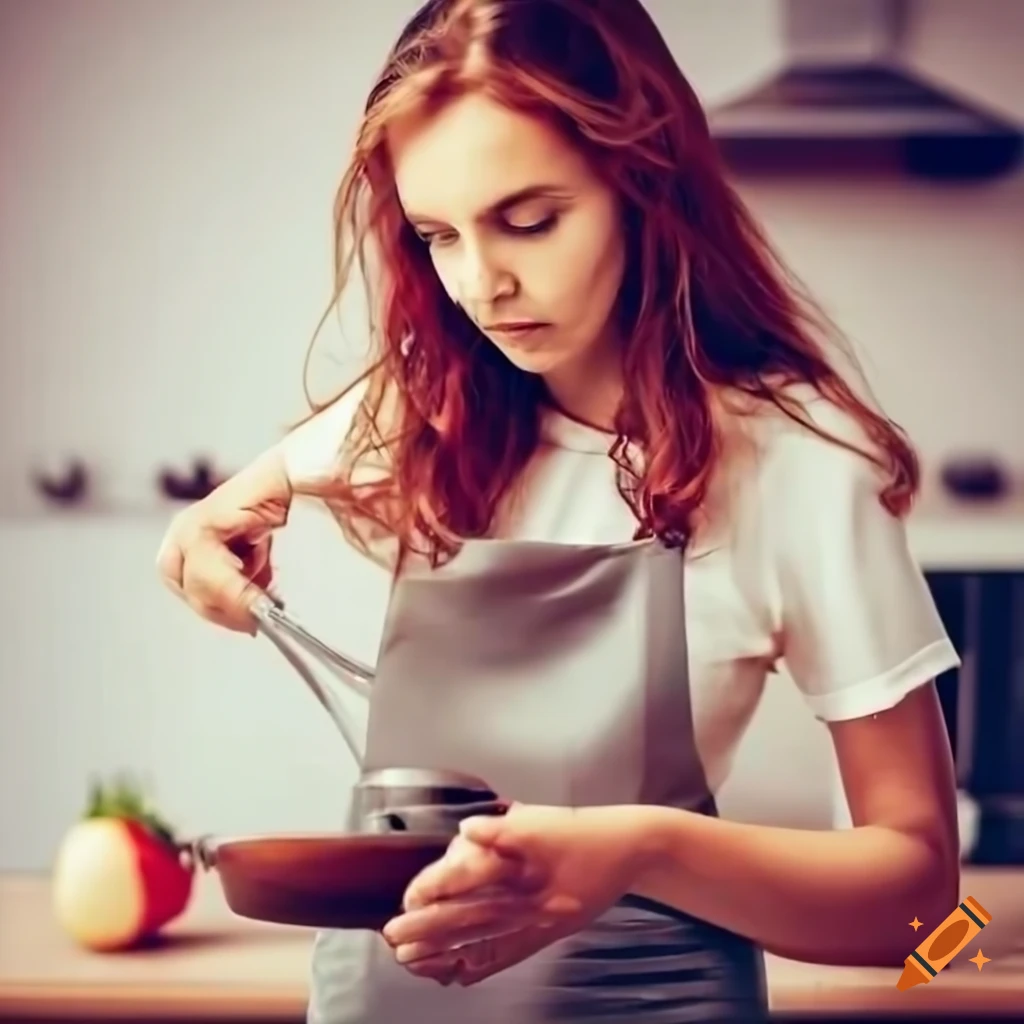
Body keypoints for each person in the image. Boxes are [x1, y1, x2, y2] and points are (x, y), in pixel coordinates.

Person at [156, 0, 963, 1020]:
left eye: (529, 221)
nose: (482, 286)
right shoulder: (426, 408)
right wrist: (210, 528)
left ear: (644, 186)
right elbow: (229, 511)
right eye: (436, 236)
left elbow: (928, 908)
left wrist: (640, 845)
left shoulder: (798, 464)